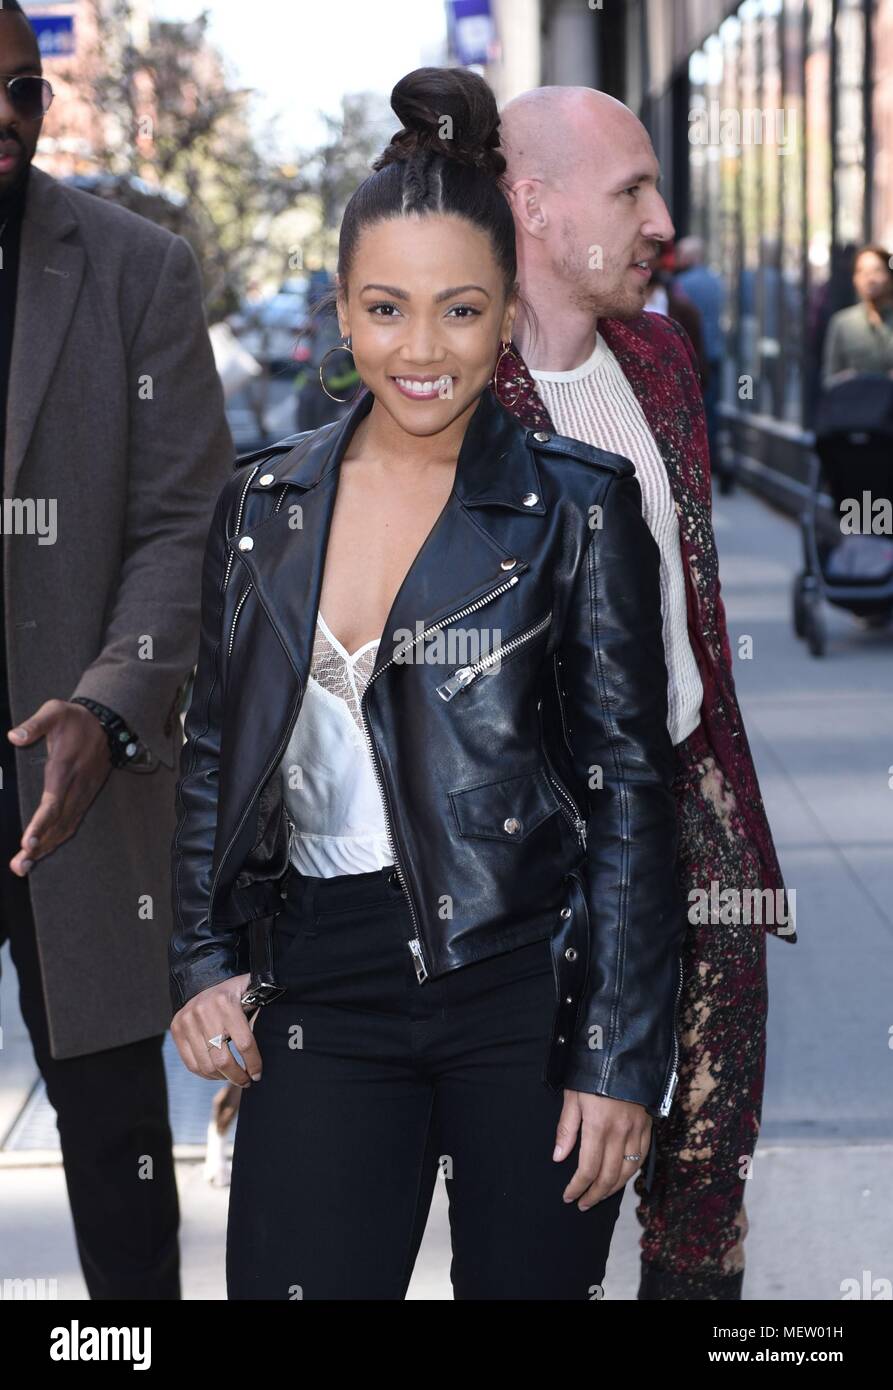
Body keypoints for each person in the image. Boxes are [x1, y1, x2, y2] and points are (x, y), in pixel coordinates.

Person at [169, 66, 686, 1302]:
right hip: (322, 981)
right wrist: (195, 960)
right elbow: (210, 754)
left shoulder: (575, 503)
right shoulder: (261, 508)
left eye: (459, 311)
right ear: (341, 314)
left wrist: (619, 1052)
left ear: (508, 312)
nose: (421, 349)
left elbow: (629, 789)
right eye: (387, 309)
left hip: (526, 984)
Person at [496, 85, 794, 1301]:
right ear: (533, 205)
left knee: (708, 1175)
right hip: (542, 856)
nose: (661, 218)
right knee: (543, 1194)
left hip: (694, 798)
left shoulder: (662, 358)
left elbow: (691, 620)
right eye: (629, 190)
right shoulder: (446, 389)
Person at [0, 1, 233, 1298]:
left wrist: (110, 700)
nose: (9, 119)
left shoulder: (137, 267)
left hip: (73, 793)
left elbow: (180, 521)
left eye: (25, 93)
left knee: (119, 1172)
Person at [675, 235, 725, 465]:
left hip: (690, 354)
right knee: (711, 408)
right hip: (714, 352)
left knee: (688, 407)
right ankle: (711, 455)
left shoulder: (681, 284)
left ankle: (694, 458)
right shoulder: (716, 282)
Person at [821, 244, 893, 387]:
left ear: (889, 277)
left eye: (877, 271)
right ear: (855, 279)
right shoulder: (843, 323)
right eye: (862, 272)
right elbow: (829, 380)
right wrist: (848, 379)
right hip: (857, 405)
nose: (870, 279)